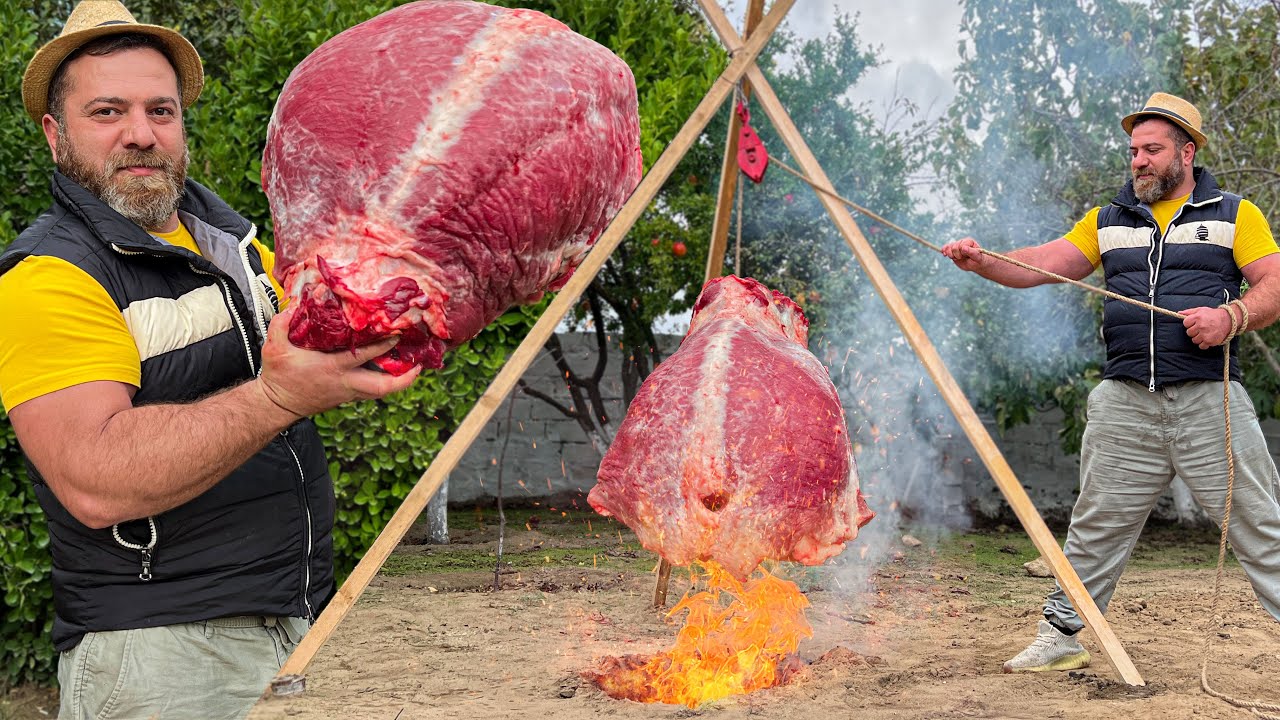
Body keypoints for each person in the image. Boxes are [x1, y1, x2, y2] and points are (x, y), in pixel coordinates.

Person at [0, 2, 421, 717]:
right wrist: (278, 397)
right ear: (54, 133)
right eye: (107, 112)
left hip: (291, 624)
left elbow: (327, 345)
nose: (141, 134)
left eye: (160, 111)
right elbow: (95, 479)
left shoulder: (232, 246)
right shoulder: (48, 278)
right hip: (159, 660)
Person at [942, 92, 1280, 673]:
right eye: (1133, 151)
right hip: (1124, 403)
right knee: (1095, 526)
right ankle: (1061, 636)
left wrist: (1232, 317)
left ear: (1187, 153)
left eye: (1152, 150)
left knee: (1260, 526)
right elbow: (1045, 263)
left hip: (1210, 401)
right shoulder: (1108, 220)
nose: (1139, 161)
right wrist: (985, 261)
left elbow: (1274, 283)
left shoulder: (1235, 214)